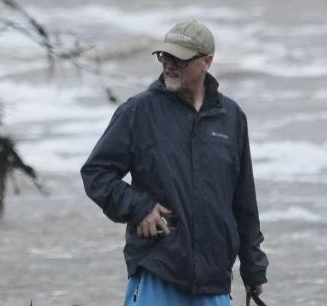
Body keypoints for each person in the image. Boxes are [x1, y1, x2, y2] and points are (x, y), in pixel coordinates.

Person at [81, 20, 268, 305]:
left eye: (178, 58)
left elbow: (244, 201)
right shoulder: (138, 111)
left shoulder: (231, 117)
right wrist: (138, 207)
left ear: (207, 61)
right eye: (164, 56)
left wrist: (253, 268)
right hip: (158, 267)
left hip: (215, 277)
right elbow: (96, 174)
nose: (168, 65)